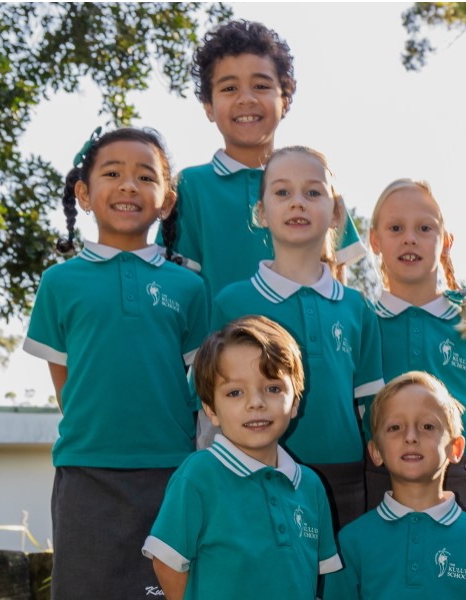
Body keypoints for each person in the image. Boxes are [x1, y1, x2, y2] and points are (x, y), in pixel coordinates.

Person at [22, 126, 210, 598]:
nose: (128, 185)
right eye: (112, 173)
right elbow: (66, 384)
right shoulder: (59, 283)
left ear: (165, 201)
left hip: (171, 470)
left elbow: (201, 383)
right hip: (87, 472)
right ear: (84, 193)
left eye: (145, 177)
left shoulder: (189, 287)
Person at [207, 145, 384, 530]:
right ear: (261, 212)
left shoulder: (356, 308)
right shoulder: (232, 301)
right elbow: (212, 403)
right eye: (282, 192)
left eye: (313, 192)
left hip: (345, 477)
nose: (297, 203)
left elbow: (372, 406)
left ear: (336, 213)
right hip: (255, 471)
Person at [145, 315, 337, 600]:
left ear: (295, 402)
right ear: (210, 409)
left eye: (273, 388)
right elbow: (167, 563)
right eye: (235, 392)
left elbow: (314, 575)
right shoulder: (198, 475)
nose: (255, 403)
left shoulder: (311, 486)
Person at [362, 180, 466, 511]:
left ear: (446, 241)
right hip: (374, 488)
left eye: (424, 227)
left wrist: (459, 493)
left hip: (453, 489)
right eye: (396, 228)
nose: (410, 237)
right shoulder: (360, 326)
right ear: (375, 240)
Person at [168, 20, 364, 287]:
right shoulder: (191, 186)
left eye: (261, 86)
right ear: (208, 107)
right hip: (218, 329)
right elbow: (178, 282)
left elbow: (336, 277)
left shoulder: (315, 178)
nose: (246, 98)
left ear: (284, 100)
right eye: (229, 88)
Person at [328, 372, 466, 599]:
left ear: (455, 448)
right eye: (395, 427)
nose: (410, 437)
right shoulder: (352, 542)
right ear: (376, 452)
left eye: (427, 426)